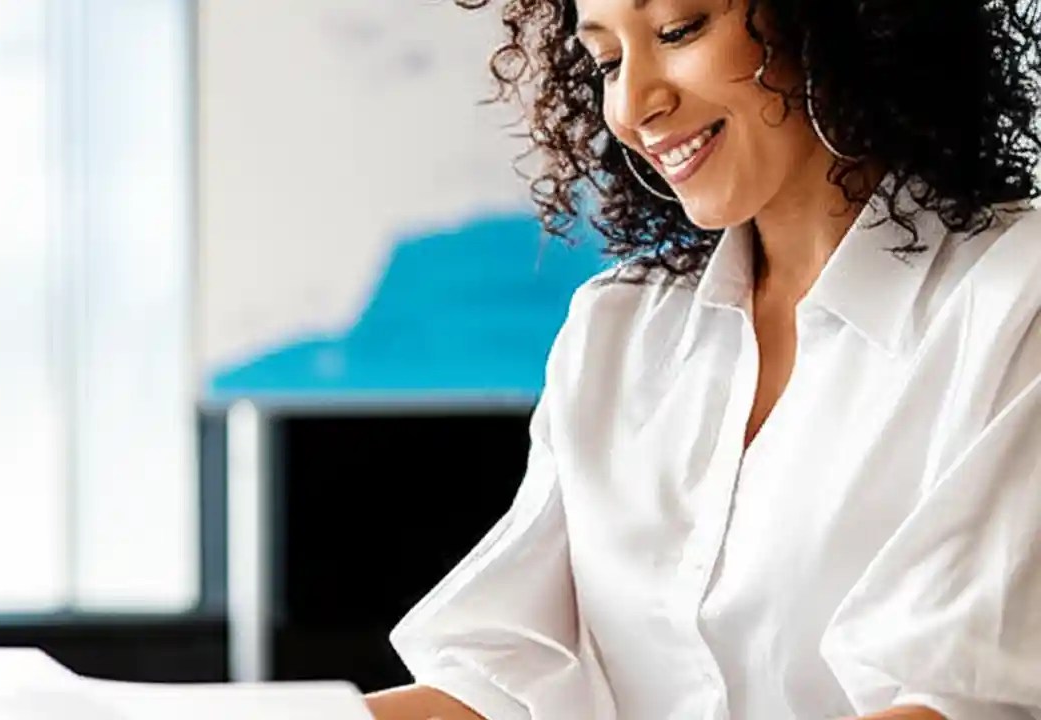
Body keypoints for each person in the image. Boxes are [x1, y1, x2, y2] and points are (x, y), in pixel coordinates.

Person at [363, 0, 1041, 718]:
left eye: (678, 32)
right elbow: (497, 686)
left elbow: (962, 700)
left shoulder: (1014, 300)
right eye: (608, 63)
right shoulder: (618, 327)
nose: (633, 106)